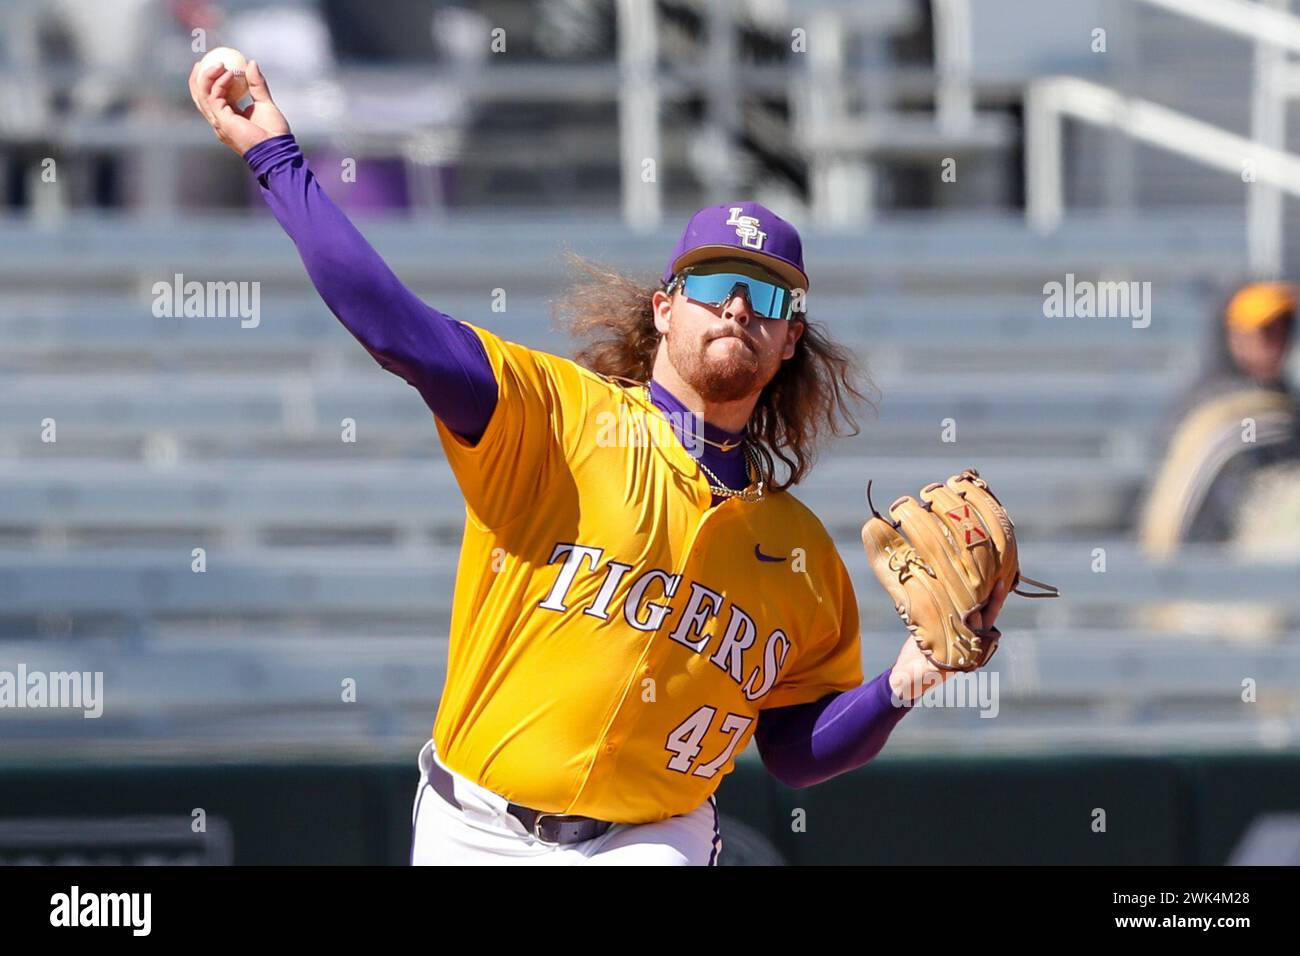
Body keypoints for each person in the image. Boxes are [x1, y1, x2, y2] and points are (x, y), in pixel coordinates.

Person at [188, 57, 1007, 866]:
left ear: (790, 338)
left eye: (766, 297)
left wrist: (910, 677)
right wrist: (276, 159)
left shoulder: (801, 557)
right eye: (716, 280)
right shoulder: (552, 417)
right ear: (663, 306)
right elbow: (391, 324)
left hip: (655, 838)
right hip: (471, 826)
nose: (736, 306)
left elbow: (794, 753)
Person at [1140, 281, 1299, 558]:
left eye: (1284, 327)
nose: (1276, 340)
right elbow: (1196, 517)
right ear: (1232, 336)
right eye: (1263, 330)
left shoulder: (1282, 409)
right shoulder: (1213, 412)